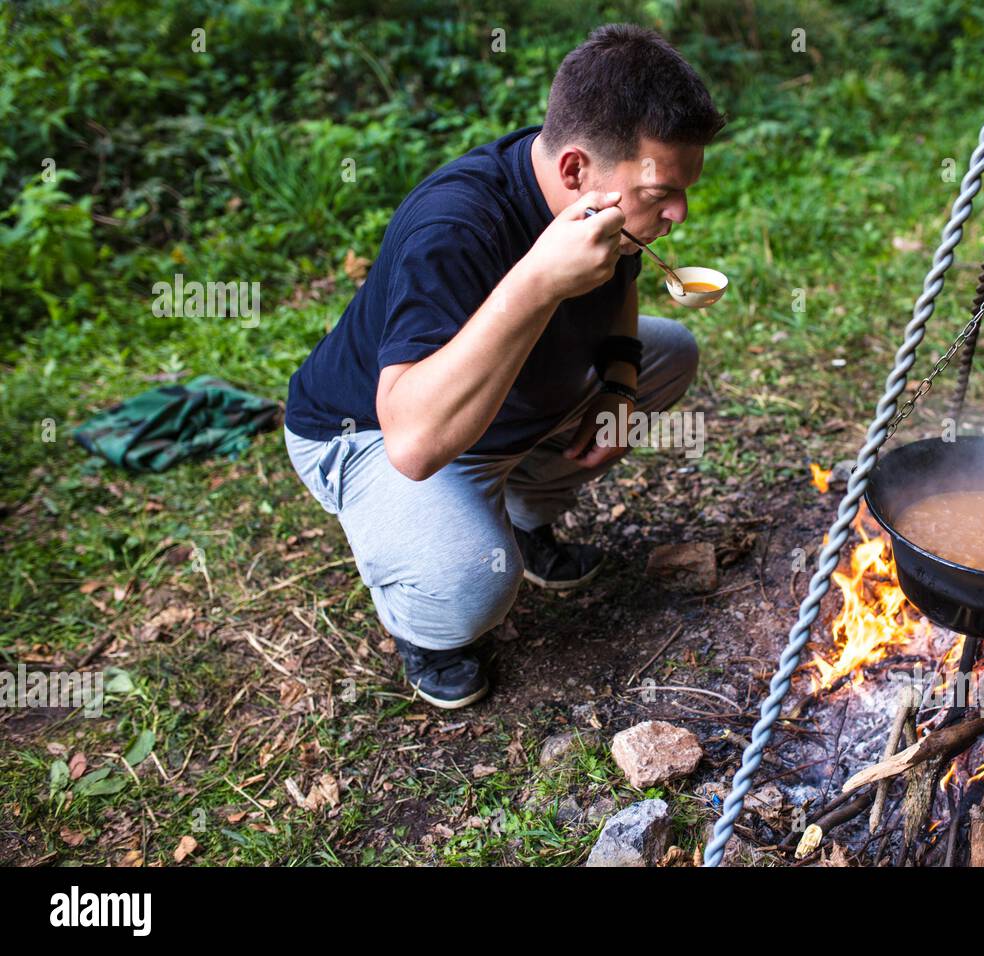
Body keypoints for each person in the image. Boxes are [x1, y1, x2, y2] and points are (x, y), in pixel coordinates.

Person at [283, 24, 726, 708]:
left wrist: (617, 386)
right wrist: (538, 279)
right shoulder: (457, 227)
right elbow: (413, 440)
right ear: (575, 168)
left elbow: (623, 287)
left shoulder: (603, 193)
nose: (681, 212)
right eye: (663, 191)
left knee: (670, 356)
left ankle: (524, 515)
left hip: (497, 405)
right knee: (472, 586)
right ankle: (428, 631)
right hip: (368, 431)